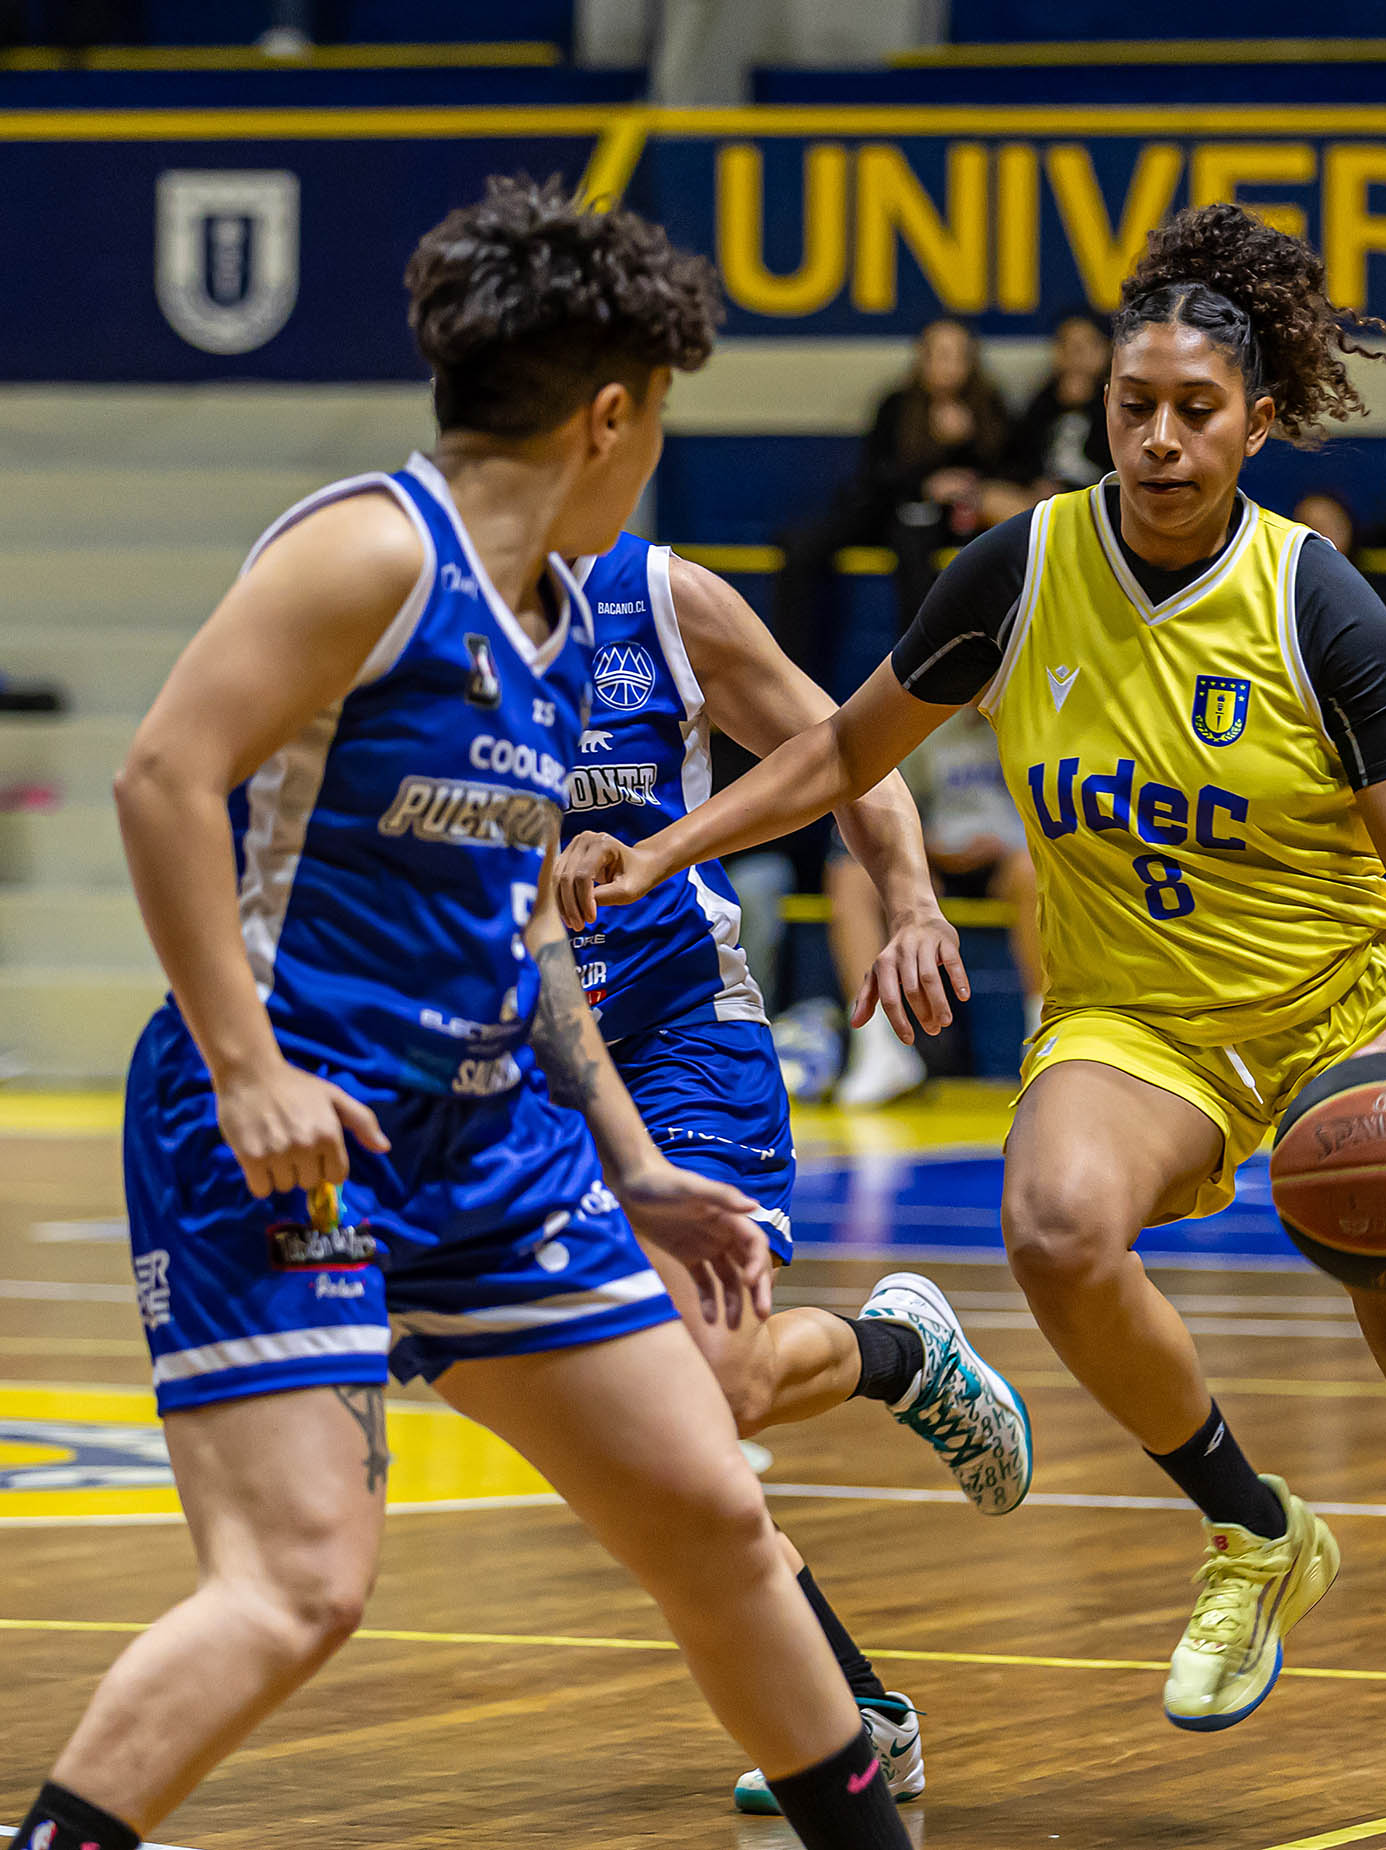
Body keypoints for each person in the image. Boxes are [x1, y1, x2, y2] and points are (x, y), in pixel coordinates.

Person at [561, 202, 1386, 1835]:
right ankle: (1253, 1529)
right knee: (1053, 1226)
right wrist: (663, 852)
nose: (1163, 434)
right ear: (1102, 410)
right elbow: (842, 754)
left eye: (1198, 407)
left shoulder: (1315, 602)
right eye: (1136, 404)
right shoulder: (1025, 566)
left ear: (1258, 422)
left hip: (1339, 1014)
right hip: (1139, 1019)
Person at [7, 180, 917, 1850]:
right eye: (657, 426)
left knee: (709, 1507)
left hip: (494, 1143)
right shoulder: (368, 548)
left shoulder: (569, 619)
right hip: (296, 1133)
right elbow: (159, 777)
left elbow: (520, 929)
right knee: (300, 1588)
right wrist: (247, 1064)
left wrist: (634, 1159)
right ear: (613, 415)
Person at [561, 532, 1036, 1813]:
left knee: (704, 1389)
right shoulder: (412, 607)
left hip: (674, 1038)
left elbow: (849, 752)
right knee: (644, 1448)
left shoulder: (659, 598)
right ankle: (860, 1706)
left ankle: (897, 1355)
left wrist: (914, 902)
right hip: (522, 1060)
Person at [825, 706, 1045, 1108]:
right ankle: (877, 1048)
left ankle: (1044, 1045)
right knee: (849, 877)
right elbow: (895, 806)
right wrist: (923, 857)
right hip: (938, 860)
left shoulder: (1035, 715)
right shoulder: (927, 719)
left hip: (1012, 859)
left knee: (1031, 871)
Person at [770, 317, 1009, 684]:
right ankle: (787, 673)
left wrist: (963, 444)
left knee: (916, 549)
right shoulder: (897, 404)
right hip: (881, 511)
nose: (946, 365)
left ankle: (921, 680)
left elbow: (1004, 476)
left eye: (956, 356)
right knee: (801, 546)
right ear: (921, 359)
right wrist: (927, 480)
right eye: (938, 355)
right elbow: (876, 476)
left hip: (941, 527)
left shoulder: (988, 409)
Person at [979, 311, 1114, 526]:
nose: (1075, 355)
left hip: (1098, 501)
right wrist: (1035, 482)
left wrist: (1089, 403)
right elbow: (1014, 458)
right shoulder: (1044, 401)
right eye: (1066, 345)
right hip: (1044, 501)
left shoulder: (1120, 400)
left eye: (1085, 345)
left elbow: (1120, 464)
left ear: (1106, 350)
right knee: (991, 498)